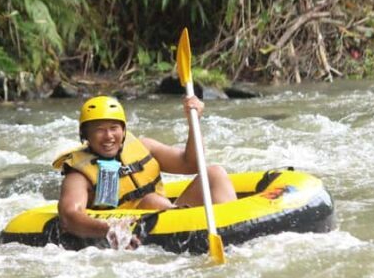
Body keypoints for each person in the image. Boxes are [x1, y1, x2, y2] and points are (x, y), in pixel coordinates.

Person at [53, 95, 237, 249]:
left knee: (215, 173)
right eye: (99, 130)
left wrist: (193, 121)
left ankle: (234, 233)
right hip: (130, 233)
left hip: (169, 218)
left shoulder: (144, 147)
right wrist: (108, 230)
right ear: (86, 136)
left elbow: (191, 163)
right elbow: (70, 215)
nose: (108, 136)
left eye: (114, 128)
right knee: (151, 201)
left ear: (124, 131)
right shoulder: (78, 175)